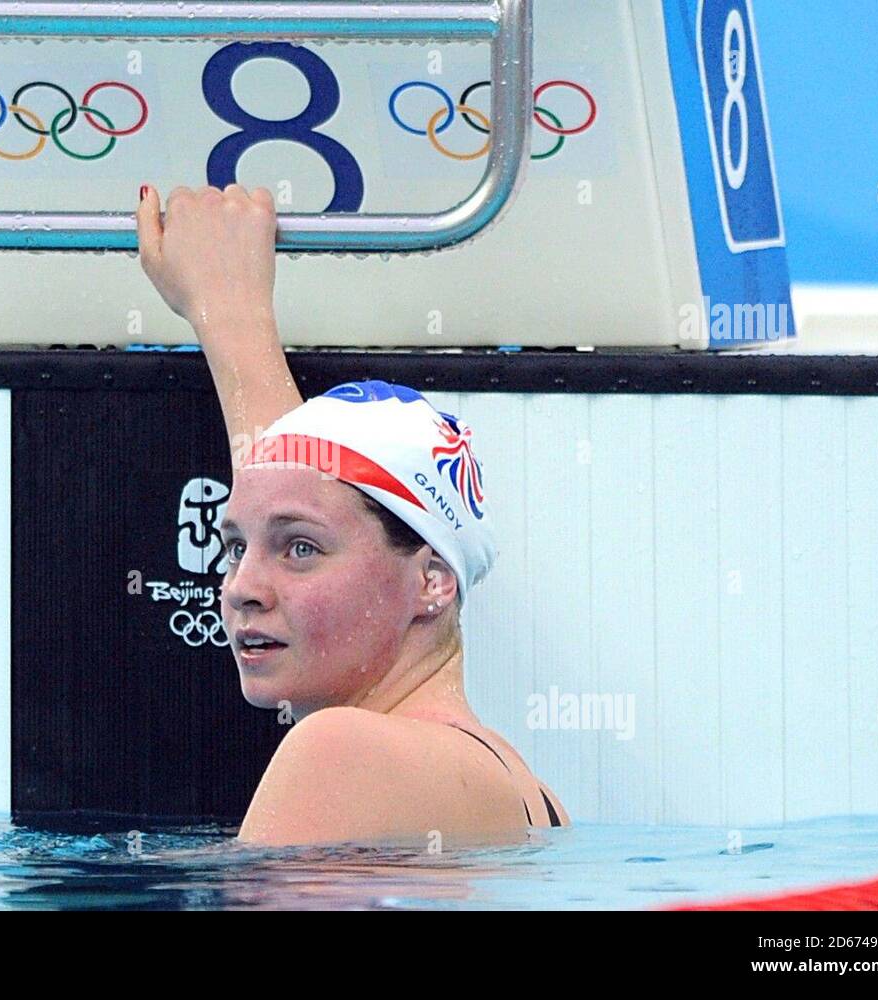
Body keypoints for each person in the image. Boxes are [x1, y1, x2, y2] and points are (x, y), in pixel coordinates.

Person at [136, 183, 568, 848]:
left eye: (299, 550)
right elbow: (297, 488)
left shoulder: (340, 752)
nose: (241, 588)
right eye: (235, 547)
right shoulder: (528, 795)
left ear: (432, 579)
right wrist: (228, 311)